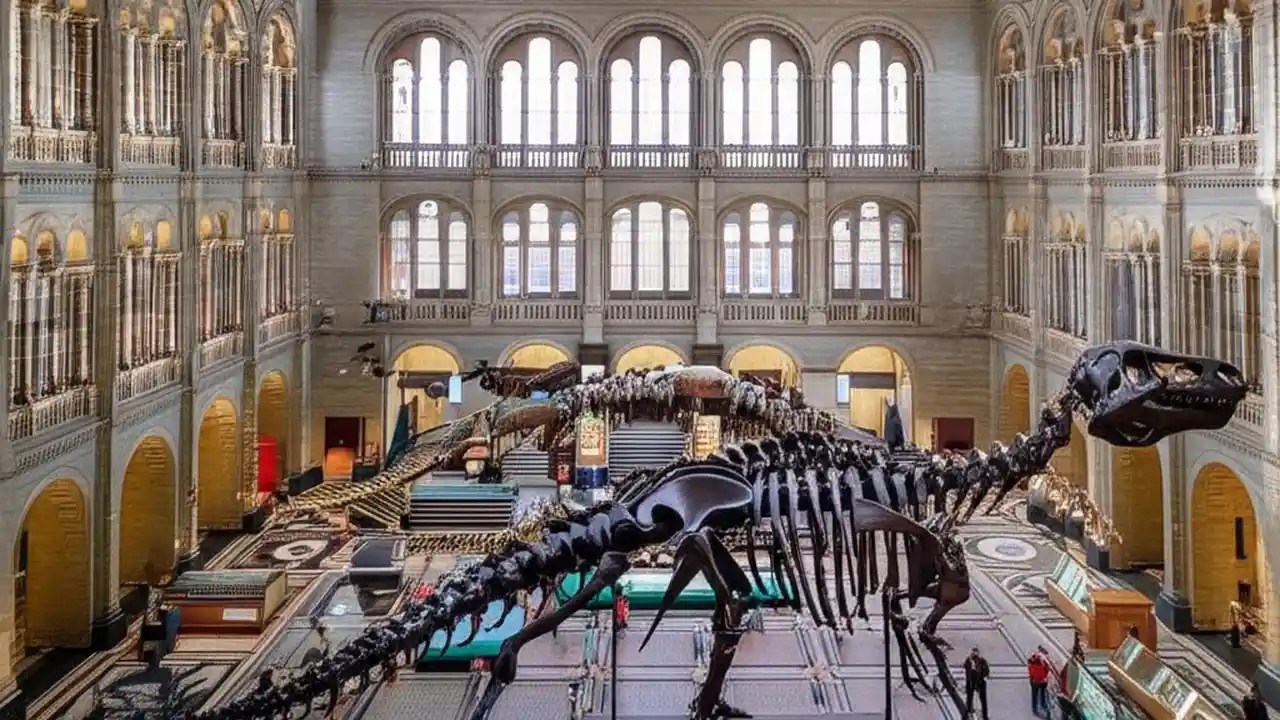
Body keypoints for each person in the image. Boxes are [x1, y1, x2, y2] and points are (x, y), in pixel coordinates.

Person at [964, 647, 991, 720]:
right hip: (972, 681)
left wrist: (985, 676)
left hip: (979, 681)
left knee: (982, 700)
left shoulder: (981, 661)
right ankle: (969, 712)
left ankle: (984, 716)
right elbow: (966, 668)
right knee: (970, 698)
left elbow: (986, 670)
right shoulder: (969, 660)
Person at [1027, 648, 1051, 718]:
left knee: (1041, 693)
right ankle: (1036, 708)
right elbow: (1031, 666)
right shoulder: (1034, 660)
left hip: (1041, 682)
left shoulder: (1043, 661)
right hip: (1036, 681)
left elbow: (1047, 669)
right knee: (1035, 695)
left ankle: (1042, 705)